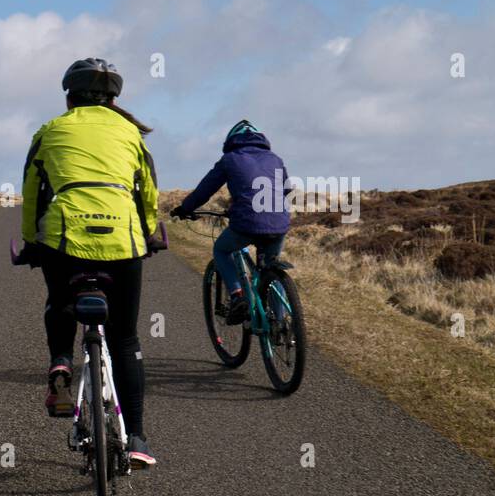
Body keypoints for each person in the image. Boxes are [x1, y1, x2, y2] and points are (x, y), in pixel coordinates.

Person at [18, 57, 161, 468]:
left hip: (65, 237)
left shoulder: (50, 130)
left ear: (69, 96)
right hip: (122, 239)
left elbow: (32, 194)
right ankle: (136, 438)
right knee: (127, 340)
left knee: (59, 300)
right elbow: (147, 192)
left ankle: (61, 362)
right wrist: (147, 233)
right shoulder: (130, 132)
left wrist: (31, 241)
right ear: (113, 98)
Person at [170, 121, 291, 324]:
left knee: (221, 251)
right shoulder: (275, 159)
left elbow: (204, 190)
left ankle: (237, 295)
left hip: (246, 223)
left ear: (232, 141)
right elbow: (286, 188)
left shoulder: (230, 159)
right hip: (279, 223)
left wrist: (185, 208)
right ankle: (280, 323)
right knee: (270, 266)